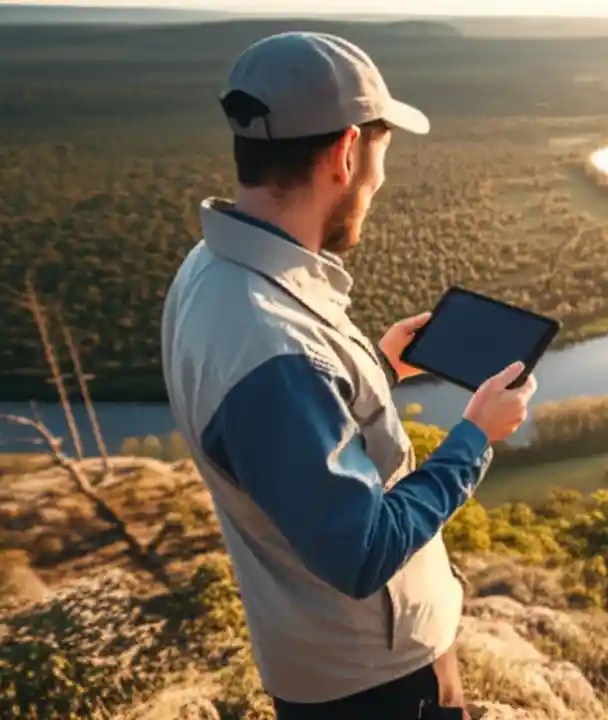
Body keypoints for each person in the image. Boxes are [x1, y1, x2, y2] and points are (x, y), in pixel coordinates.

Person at [160, 32, 535, 719]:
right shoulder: (274, 347)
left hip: (320, 659)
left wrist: (375, 372)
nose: (380, 183)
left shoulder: (207, 273)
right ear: (344, 152)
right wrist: (475, 436)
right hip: (375, 682)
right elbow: (362, 552)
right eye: (380, 160)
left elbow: (280, 438)